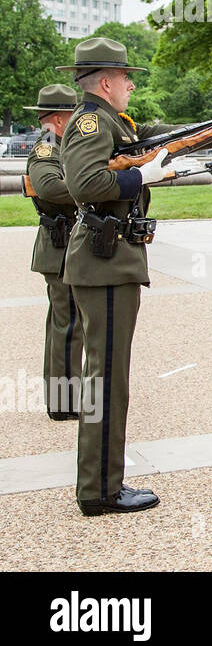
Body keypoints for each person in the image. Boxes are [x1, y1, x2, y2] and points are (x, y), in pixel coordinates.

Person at [58, 37, 212, 516]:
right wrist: (144, 177)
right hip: (105, 259)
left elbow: (177, 135)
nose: (132, 85)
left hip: (110, 257)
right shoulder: (92, 121)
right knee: (106, 379)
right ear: (107, 82)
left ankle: (102, 482)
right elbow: (86, 184)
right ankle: (99, 490)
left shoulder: (112, 120)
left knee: (108, 376)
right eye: (127, 78)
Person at [22, 84, 84, 420]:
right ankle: (63, 402)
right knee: (69, 323)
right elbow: (49, 187)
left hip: (62, 244)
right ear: (60, 118)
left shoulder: (59, 146)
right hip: (59, 245)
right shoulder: (47, 149)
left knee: (64, 321)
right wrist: (92, 184)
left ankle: (62, 394)